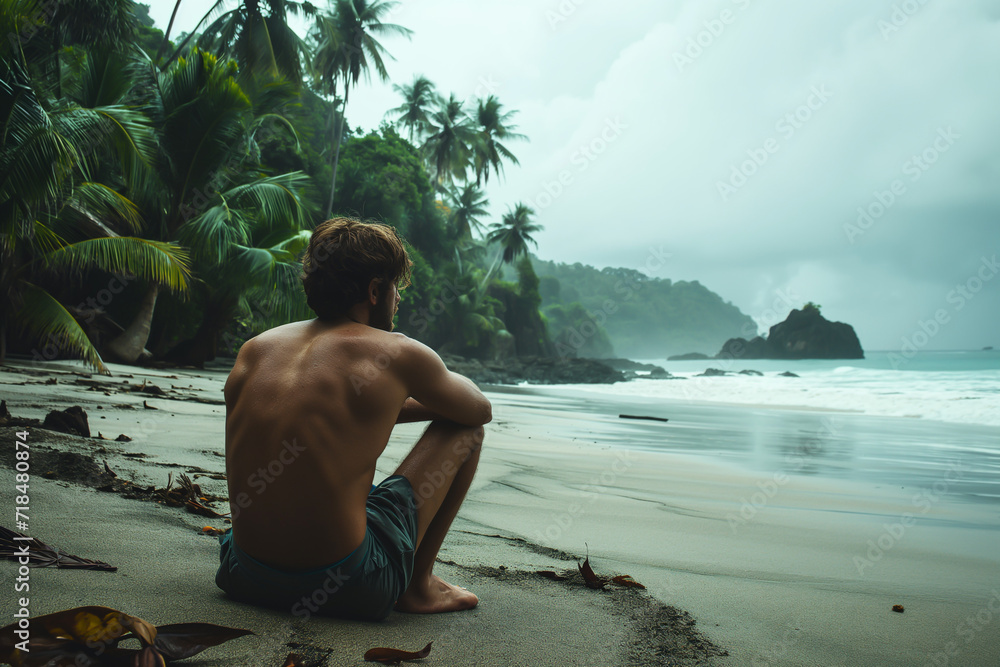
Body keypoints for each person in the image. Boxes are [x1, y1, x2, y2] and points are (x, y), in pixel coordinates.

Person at [215, 217, 491, 620]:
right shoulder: (396, 352)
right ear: (375, 290)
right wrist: (413, 394)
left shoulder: (256, 349)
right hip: (350, 584)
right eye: (397, 288)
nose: (399, 300)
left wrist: (384, 405)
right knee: (466, 431)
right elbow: (478, 409)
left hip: (243, 573)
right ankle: (417, 587)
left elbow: (315, 419)